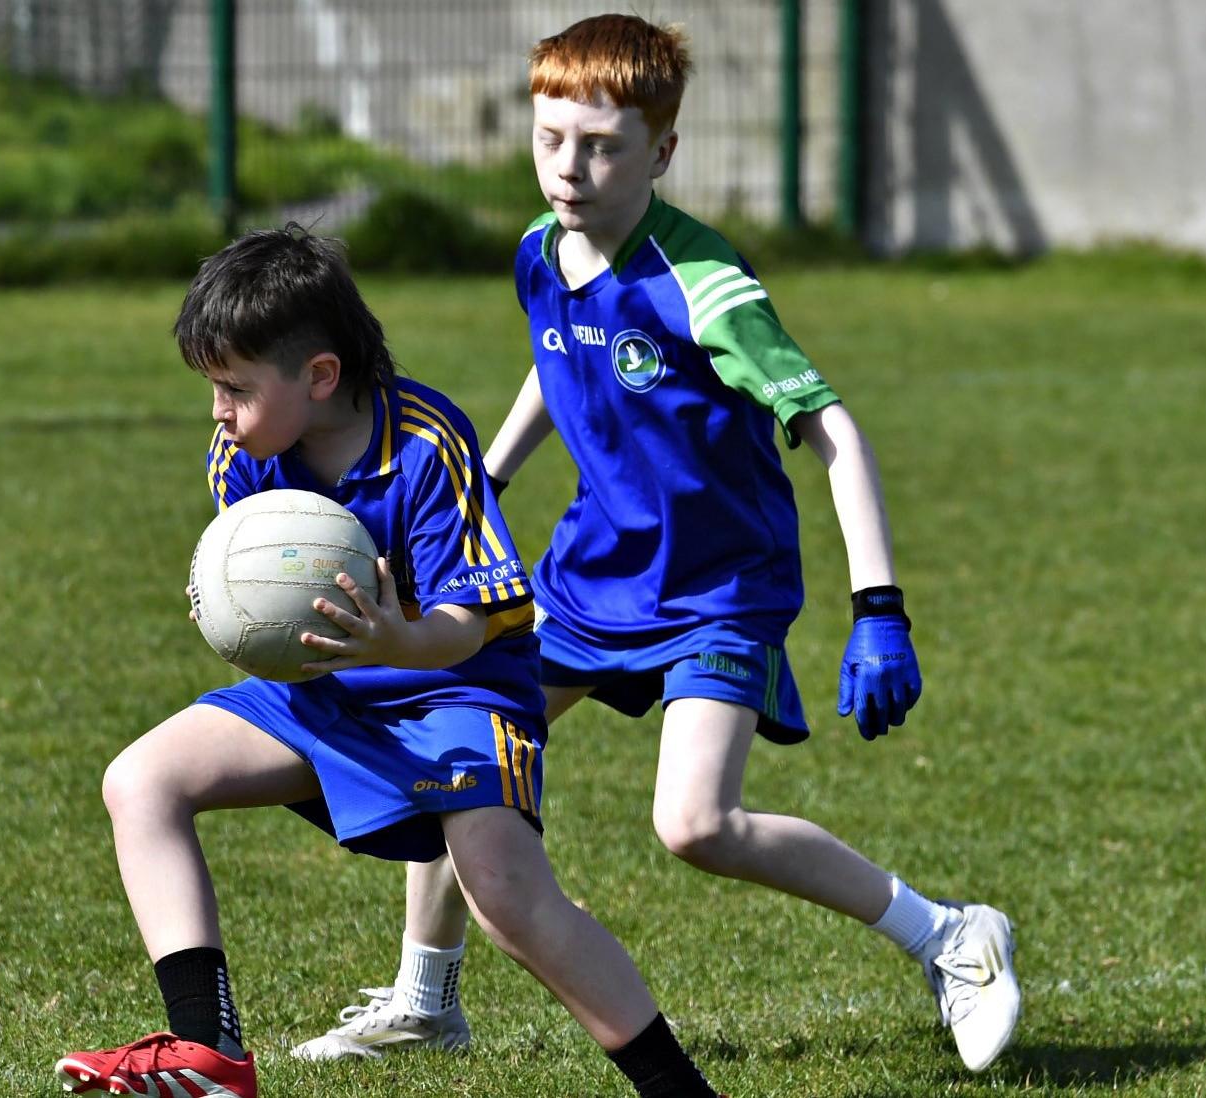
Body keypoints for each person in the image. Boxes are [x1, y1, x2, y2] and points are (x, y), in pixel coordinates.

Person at [291, 13, 1021, 1075]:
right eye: (549, 140)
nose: (569, 169)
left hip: (719, 591)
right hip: (590, 577)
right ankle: (424, 998)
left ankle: (951, 934)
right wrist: (482, 483)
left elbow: (834, 430)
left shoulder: (706, 285)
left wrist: (879, 610)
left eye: (601, 146)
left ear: (662, 151)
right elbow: (559, 359)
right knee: (461, 751)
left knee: (695, 825)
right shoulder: (540, 252)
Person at [50, 225, 724, 1098]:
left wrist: (392, 641)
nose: (217, 409)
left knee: (505, 897)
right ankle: (208, 1053)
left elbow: (470, 624)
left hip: (461, 692)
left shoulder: (426, 441)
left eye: (235, 388)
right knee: (140, 781)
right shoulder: (242, 453)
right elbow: (269, 602)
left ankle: (679, 1089)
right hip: (331, 691)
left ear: (320, 376)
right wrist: (232, 612)